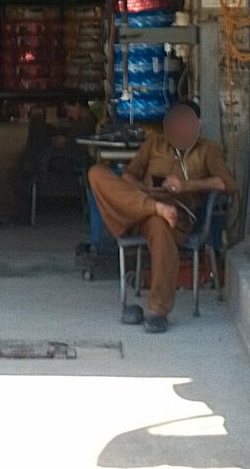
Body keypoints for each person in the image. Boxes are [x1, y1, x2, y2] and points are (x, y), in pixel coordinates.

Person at [87, 100, 237, 333]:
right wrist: (144, 190)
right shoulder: (154, 144)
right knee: (96, 173)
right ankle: (153, 207)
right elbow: (128, 175)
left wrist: (186, 185)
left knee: (159, 224)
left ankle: (158, 311)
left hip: (175, 216)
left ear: (198, 124)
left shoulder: (208, 150)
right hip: (137, 208)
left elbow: (227, 184)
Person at [8, 100, 96, 222]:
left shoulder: (87, 123)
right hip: (66, 156)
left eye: (69, 110)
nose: (69, 114)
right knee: (39, 130)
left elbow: (77, 144)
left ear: (78, 105)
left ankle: (28, 160)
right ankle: (28, 159)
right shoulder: (84, 122)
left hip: (70, 160)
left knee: (37, 129)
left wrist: (65, 141)